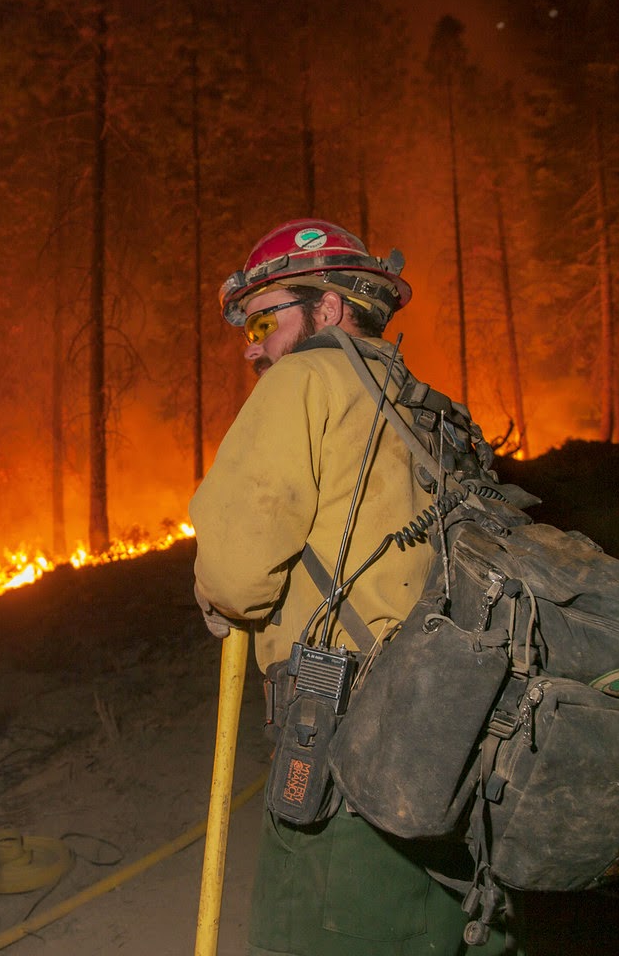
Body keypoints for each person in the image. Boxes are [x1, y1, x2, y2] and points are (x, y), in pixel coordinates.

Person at [189, 220, 514, 955]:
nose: (251, 343)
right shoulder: (422, 404)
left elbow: (235, 576)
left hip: (346, 752)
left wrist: (216, 595)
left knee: (310, 929)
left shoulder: (305, 379)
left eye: (264, 318)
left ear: (329, 311)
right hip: (446, 739)